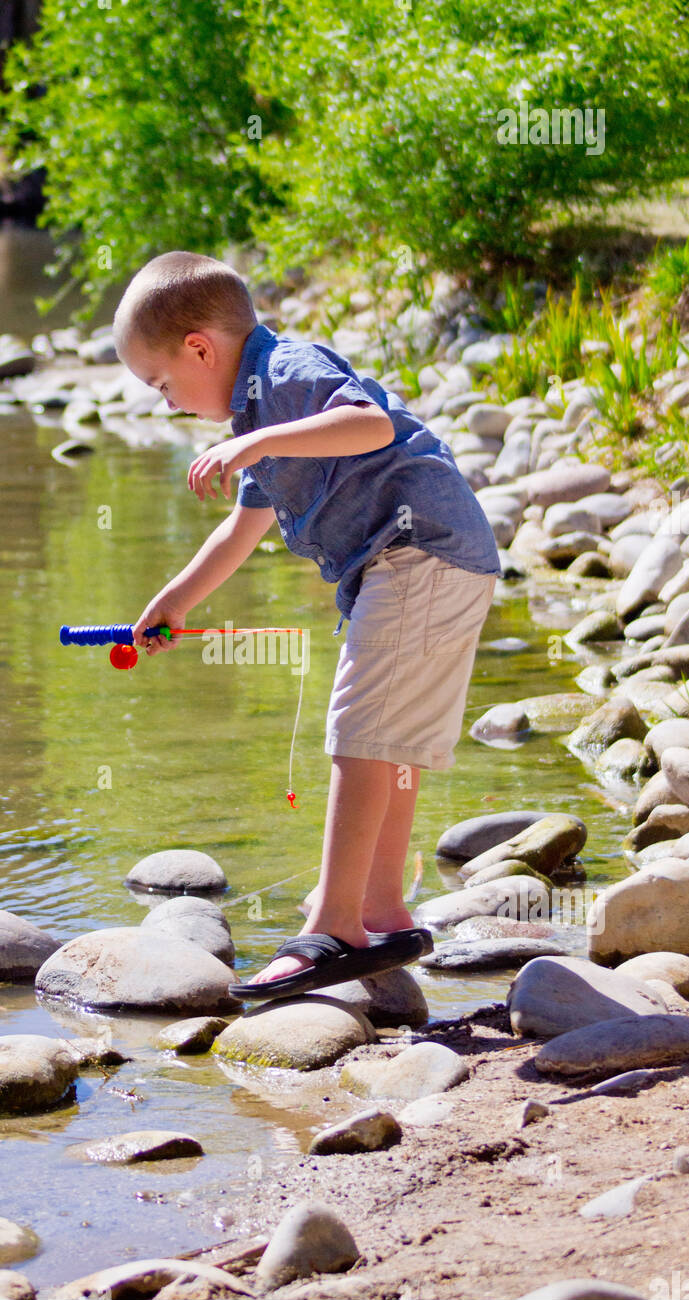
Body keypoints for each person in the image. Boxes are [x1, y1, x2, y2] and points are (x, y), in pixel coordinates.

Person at [111, 251, 501, 1000]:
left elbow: (367, 423)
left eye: (162, 385)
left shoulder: (285, 373)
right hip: (430, 559)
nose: (166, 404)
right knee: (393, 742)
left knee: (358, 735)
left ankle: (333, 925)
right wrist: (175, 600)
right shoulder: (256, 415)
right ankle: (382, 911)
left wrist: (256, 442)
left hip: (417, 551)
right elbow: (239, 530)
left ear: (200, 348)